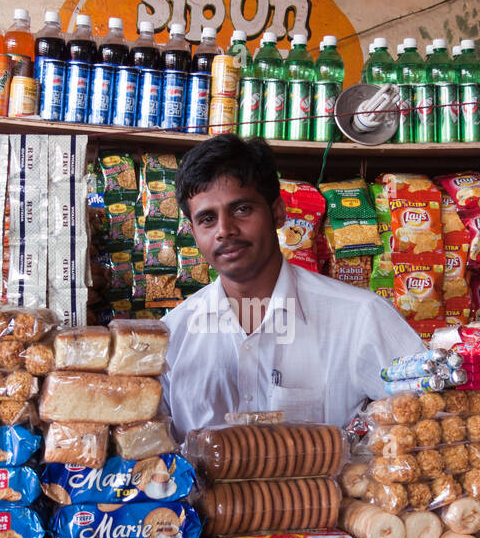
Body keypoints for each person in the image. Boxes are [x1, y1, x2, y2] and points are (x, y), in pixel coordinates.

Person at [162, 133, 426, 437]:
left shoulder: (361, 318)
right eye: (207, 219)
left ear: (277, 212)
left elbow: (425, 420)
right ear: (194, 234)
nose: (225, 230)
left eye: (241, 209)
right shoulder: (172, 339)